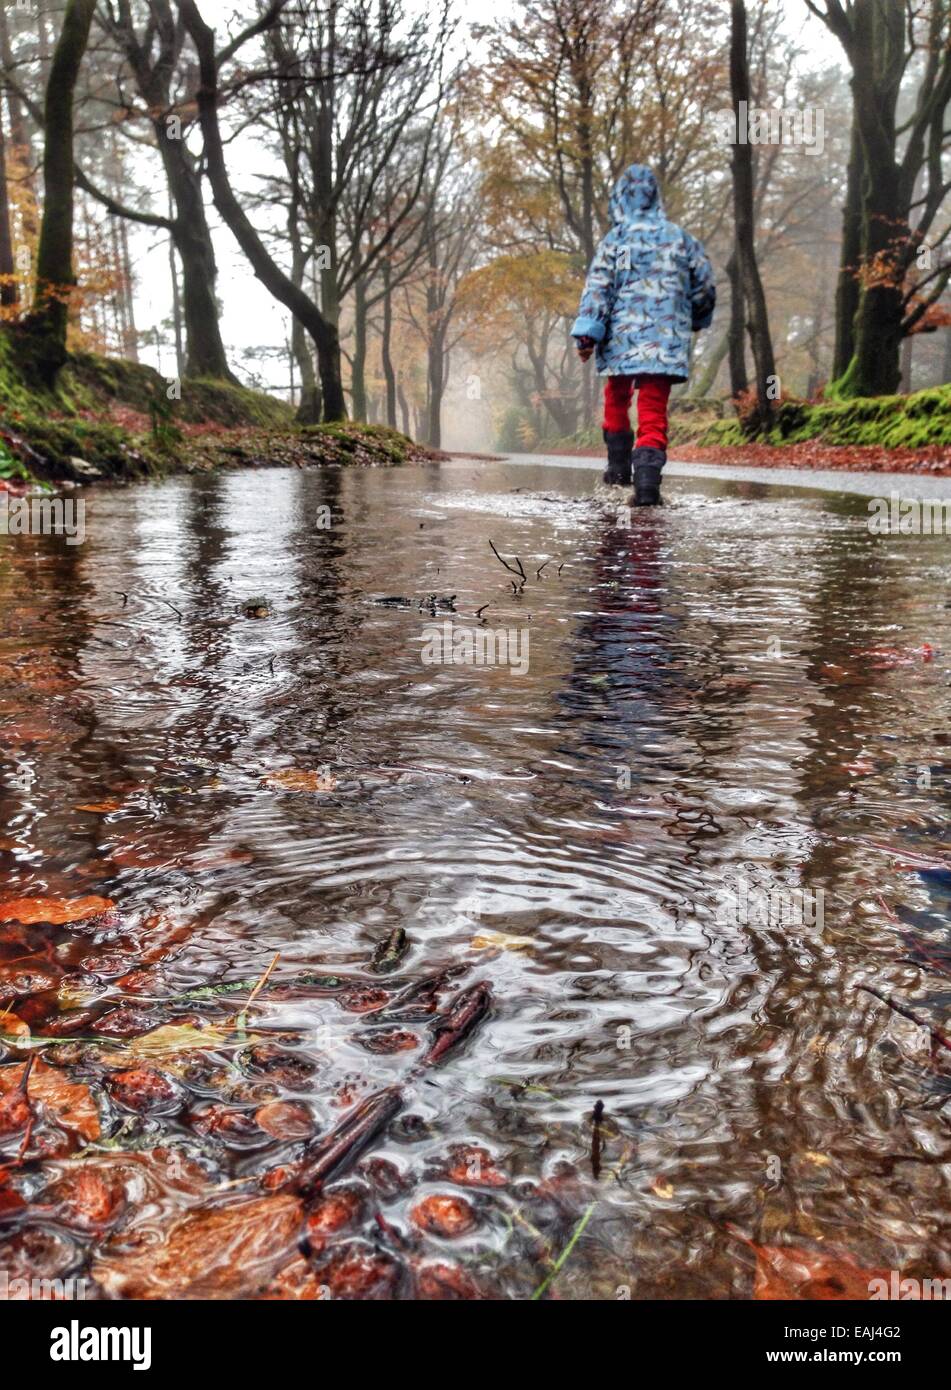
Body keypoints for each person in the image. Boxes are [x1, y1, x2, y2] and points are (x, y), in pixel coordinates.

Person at [571, 164, 716, 507]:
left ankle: (619, 473)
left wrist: (587, 335)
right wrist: (696, 318)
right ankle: (648, 487)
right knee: (652, 410)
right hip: (664, 342)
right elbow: (704, 285)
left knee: (615, 399)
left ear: (620, 198)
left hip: (620, 341)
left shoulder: (617, 241)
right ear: (656, 198)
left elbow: (599, 289)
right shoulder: (680, 239)